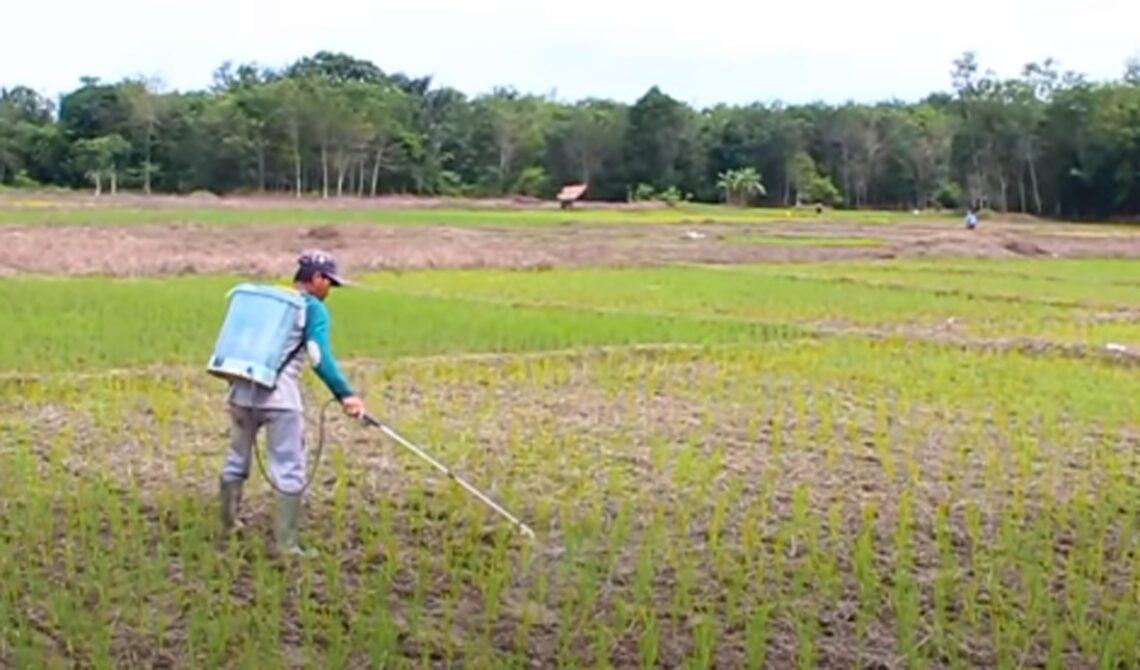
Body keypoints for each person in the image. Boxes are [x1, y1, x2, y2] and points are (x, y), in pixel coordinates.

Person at [217, 249, 365, 556]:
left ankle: (227, 526)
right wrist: (345, 394)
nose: (330, 291)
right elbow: (318, 356)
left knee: (235, 460)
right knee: (289, 467)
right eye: (329, 283)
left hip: (242, 394)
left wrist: (232, 391)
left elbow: (241, 345)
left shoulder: (267, 301)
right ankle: (286, 544)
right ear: (317, 278)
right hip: (280, 400)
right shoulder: (310, 308)